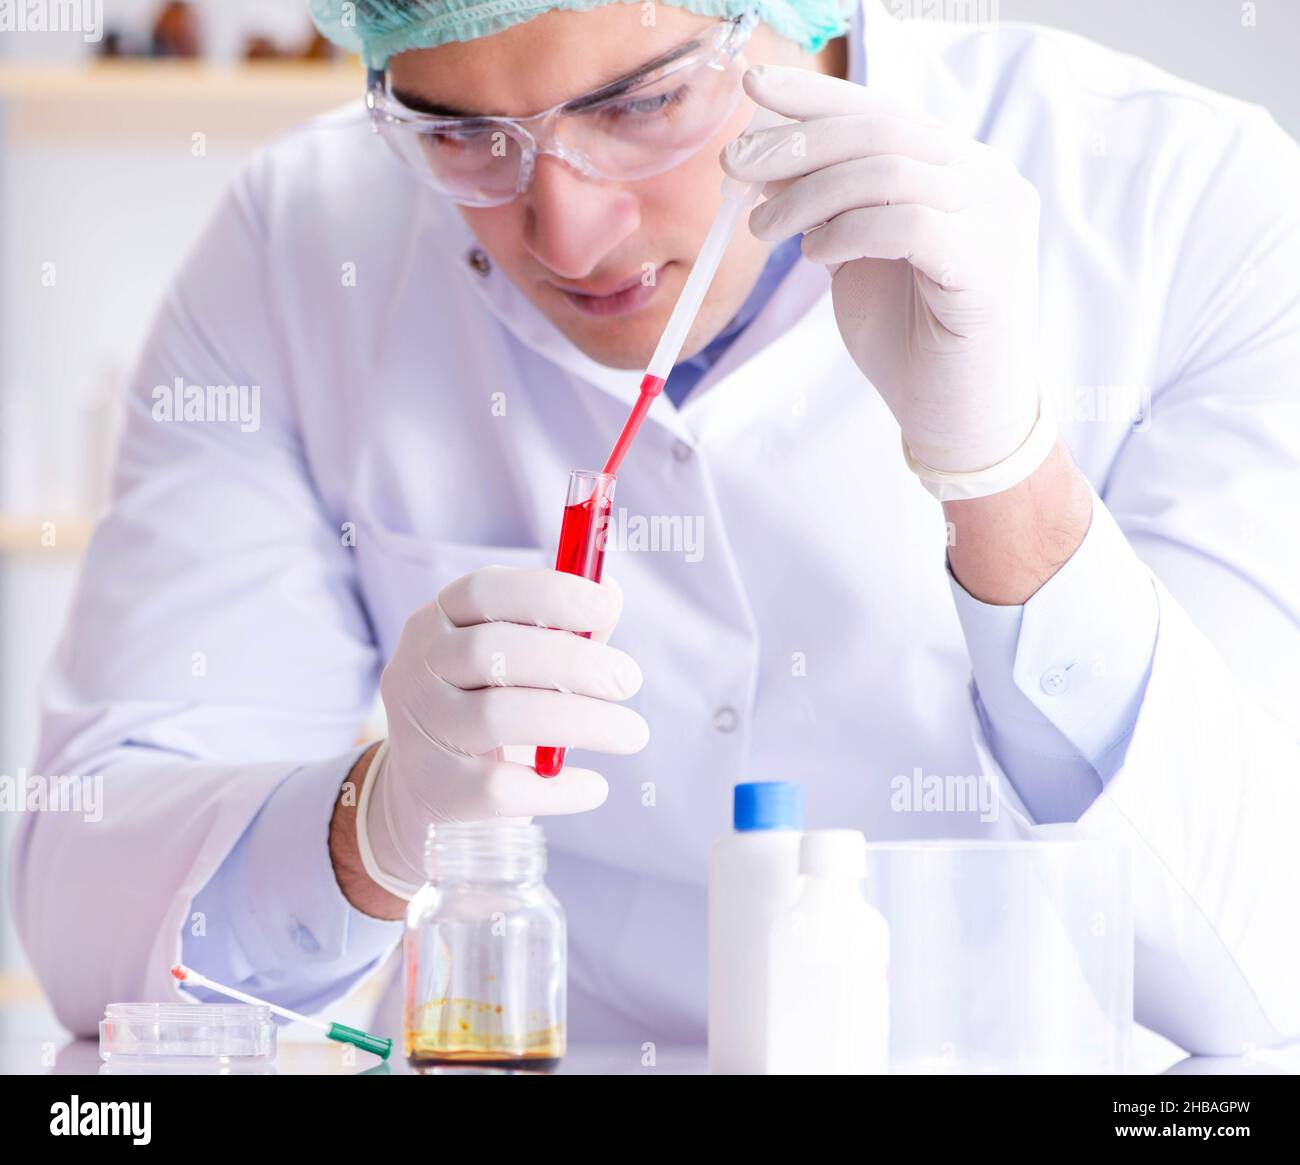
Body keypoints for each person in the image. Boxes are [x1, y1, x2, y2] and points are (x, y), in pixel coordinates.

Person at [14, 0, 1300, 1055]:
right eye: (462, 135)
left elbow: (1258, 968)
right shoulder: (300, 244)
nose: (565, 229)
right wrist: (380, 819)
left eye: (638, 104)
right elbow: (87, 919)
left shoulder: (1186, 202)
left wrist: (1010, 480)